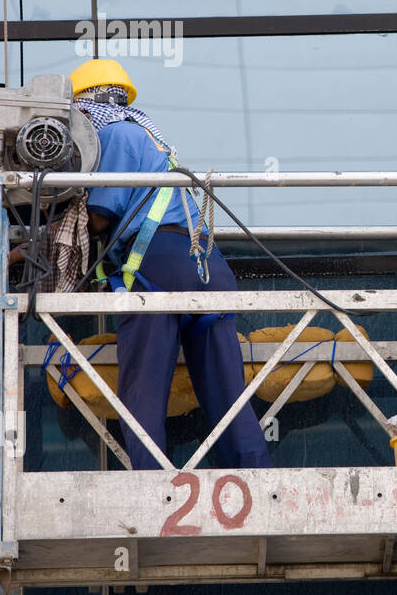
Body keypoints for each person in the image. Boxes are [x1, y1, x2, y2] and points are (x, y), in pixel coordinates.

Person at [68, 58, 270, 471]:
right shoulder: (148, 138)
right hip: (206, 268)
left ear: (85, 108)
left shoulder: (115, 135)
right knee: (226, 396)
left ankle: (152, 490)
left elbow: (99, 220)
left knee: (142, 393)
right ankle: (255, 479)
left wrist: (39, 233)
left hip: (158, 264)